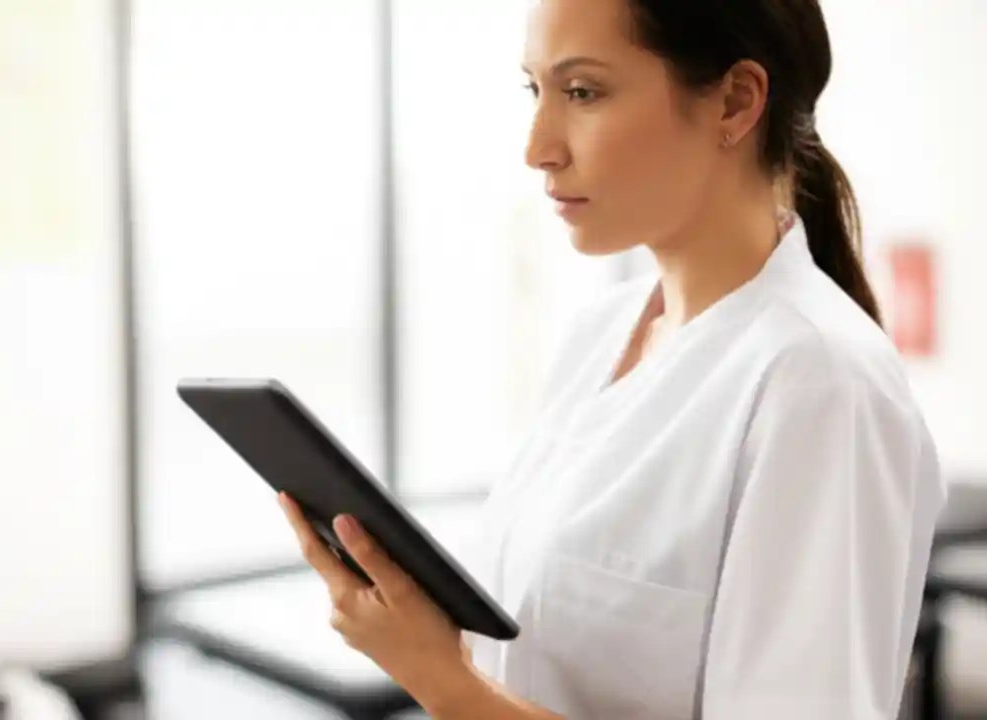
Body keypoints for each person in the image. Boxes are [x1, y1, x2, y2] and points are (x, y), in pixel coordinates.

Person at [276, 0, 949, 717]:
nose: (538, 146)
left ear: (735, 101)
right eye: (536, 90)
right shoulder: (600, 335)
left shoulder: (820, 385)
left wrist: (442, 680)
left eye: (583, 92)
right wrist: (417, 629)